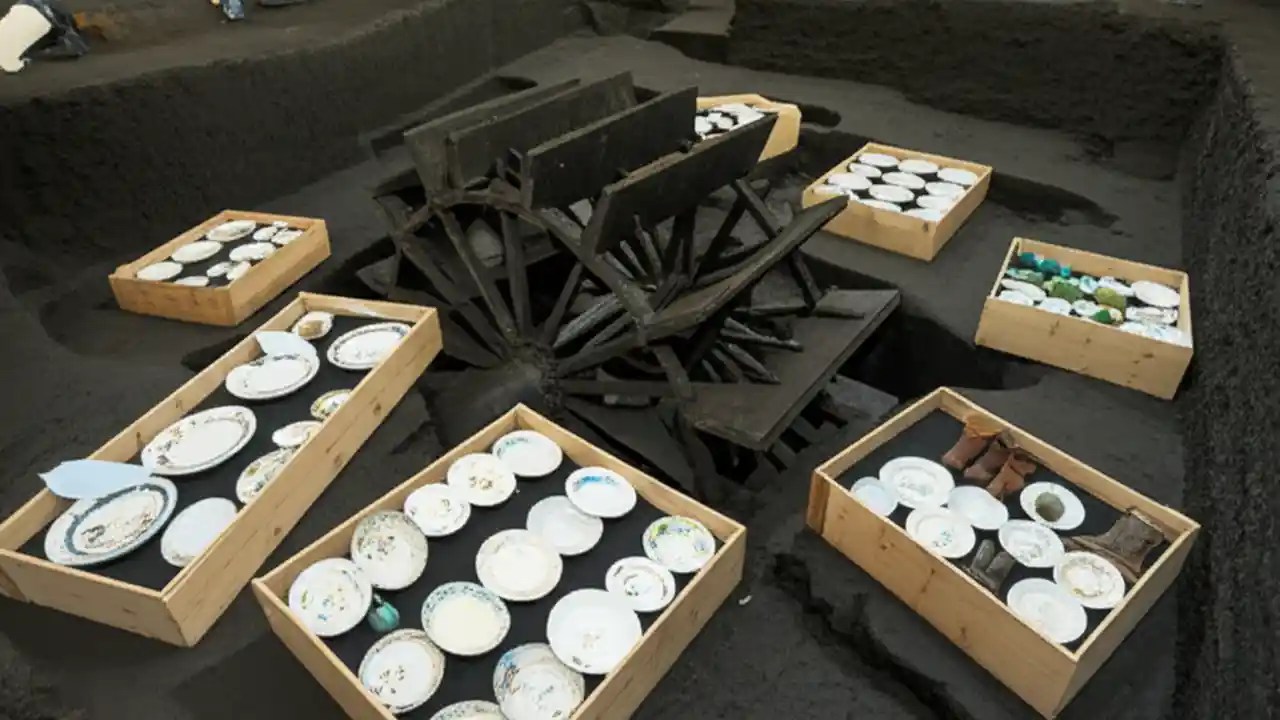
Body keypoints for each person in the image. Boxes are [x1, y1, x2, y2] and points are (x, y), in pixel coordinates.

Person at [0, 0, 86, 73]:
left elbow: (19, 65)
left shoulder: (7, 63)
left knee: (72, 45)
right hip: (24, 4)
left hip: (48, 17)